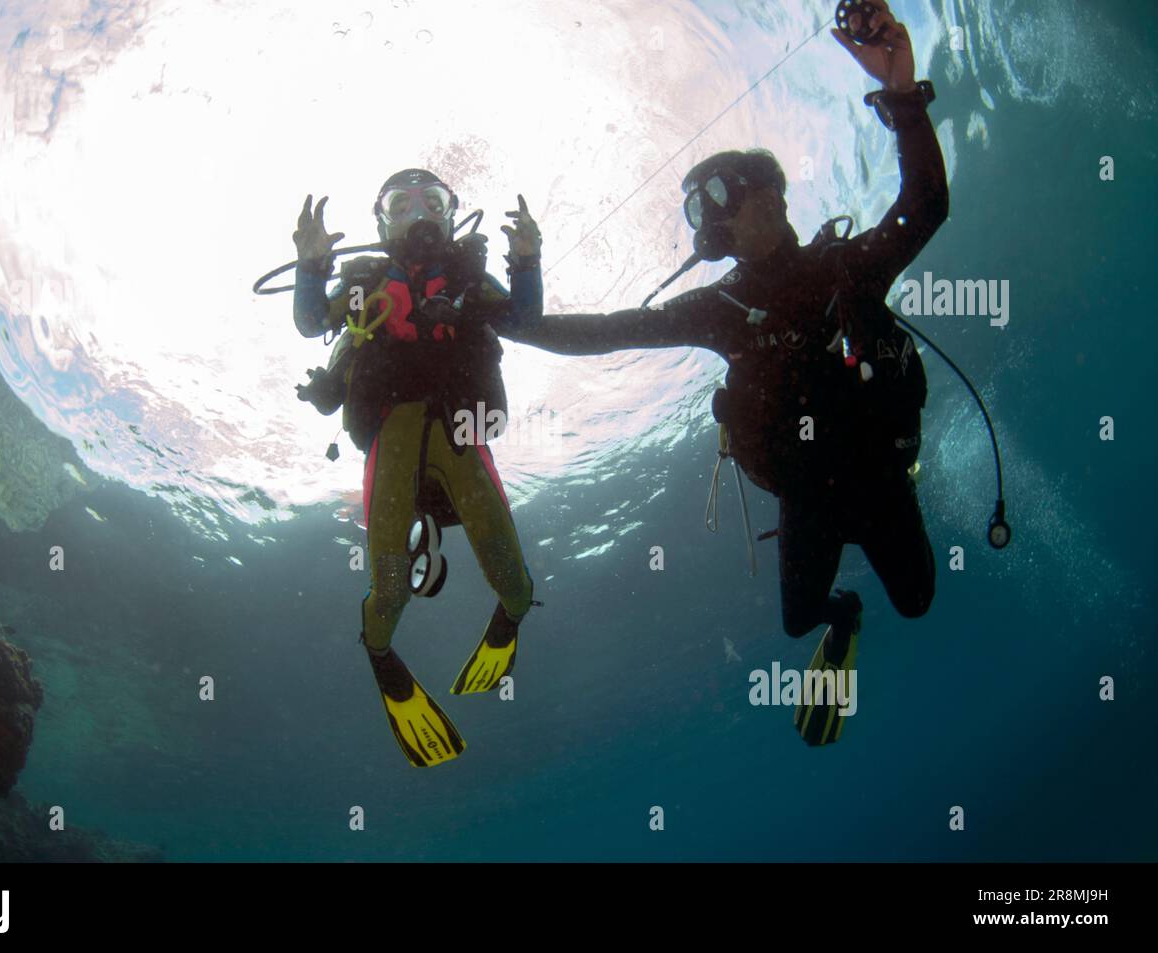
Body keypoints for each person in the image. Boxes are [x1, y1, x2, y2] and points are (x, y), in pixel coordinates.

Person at [492, 2, 945, 746]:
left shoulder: (844, 268)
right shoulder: (720, 308)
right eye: (698, 206)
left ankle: (865, 599)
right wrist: (514, 296)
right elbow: (603, 335)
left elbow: (926, 205)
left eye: (720, 196)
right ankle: (844, 617)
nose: (710, 217)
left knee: (920, 601)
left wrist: (901, 94)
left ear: (771, 197)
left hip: (879, 476)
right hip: (807, 495)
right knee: (801, 617)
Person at [291, 169, 543, 766]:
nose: (417, 213)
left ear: (451, 214)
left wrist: (527, 260)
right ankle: (382, 656)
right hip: (393, 434)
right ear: (381, 221)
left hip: (460, 427)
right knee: (389, 586)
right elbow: (309, 323)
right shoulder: (365, 282)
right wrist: (310, 267)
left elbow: (524, 321)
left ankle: (509, 619)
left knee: (515, 580)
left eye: (431, 202)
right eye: (399, 204)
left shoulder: (465, 275)